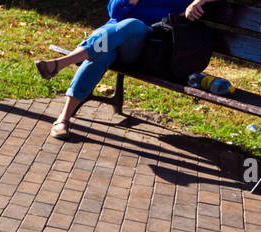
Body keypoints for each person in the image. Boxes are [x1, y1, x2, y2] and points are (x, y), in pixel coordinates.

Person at [35, 0, 209, 139]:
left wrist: (198, 2)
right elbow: (115, 12)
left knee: (131, 25)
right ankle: (63, 119)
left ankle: (62, 63)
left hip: (147, 44)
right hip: (111, 36)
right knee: (102, 53)